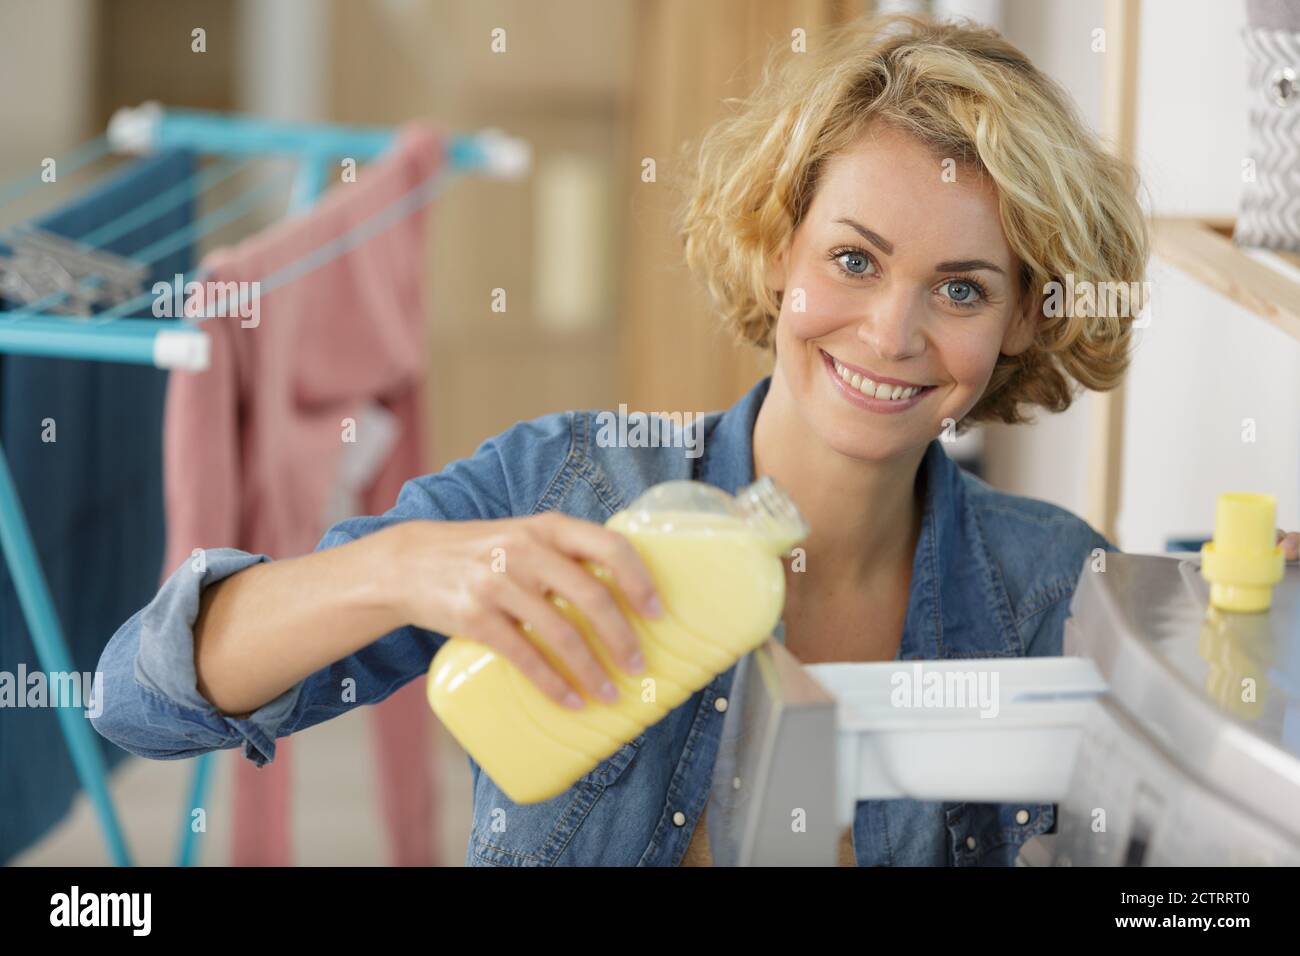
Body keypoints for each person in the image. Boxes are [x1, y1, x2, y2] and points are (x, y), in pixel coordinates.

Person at [92, 13, 1300, 866]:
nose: (890, 331)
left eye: (962, 288)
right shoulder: (567, 483)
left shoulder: (1048, 585)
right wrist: (407, 565)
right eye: (852, 258)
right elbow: (136, 696)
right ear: (779, 246)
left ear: (1027, 317)